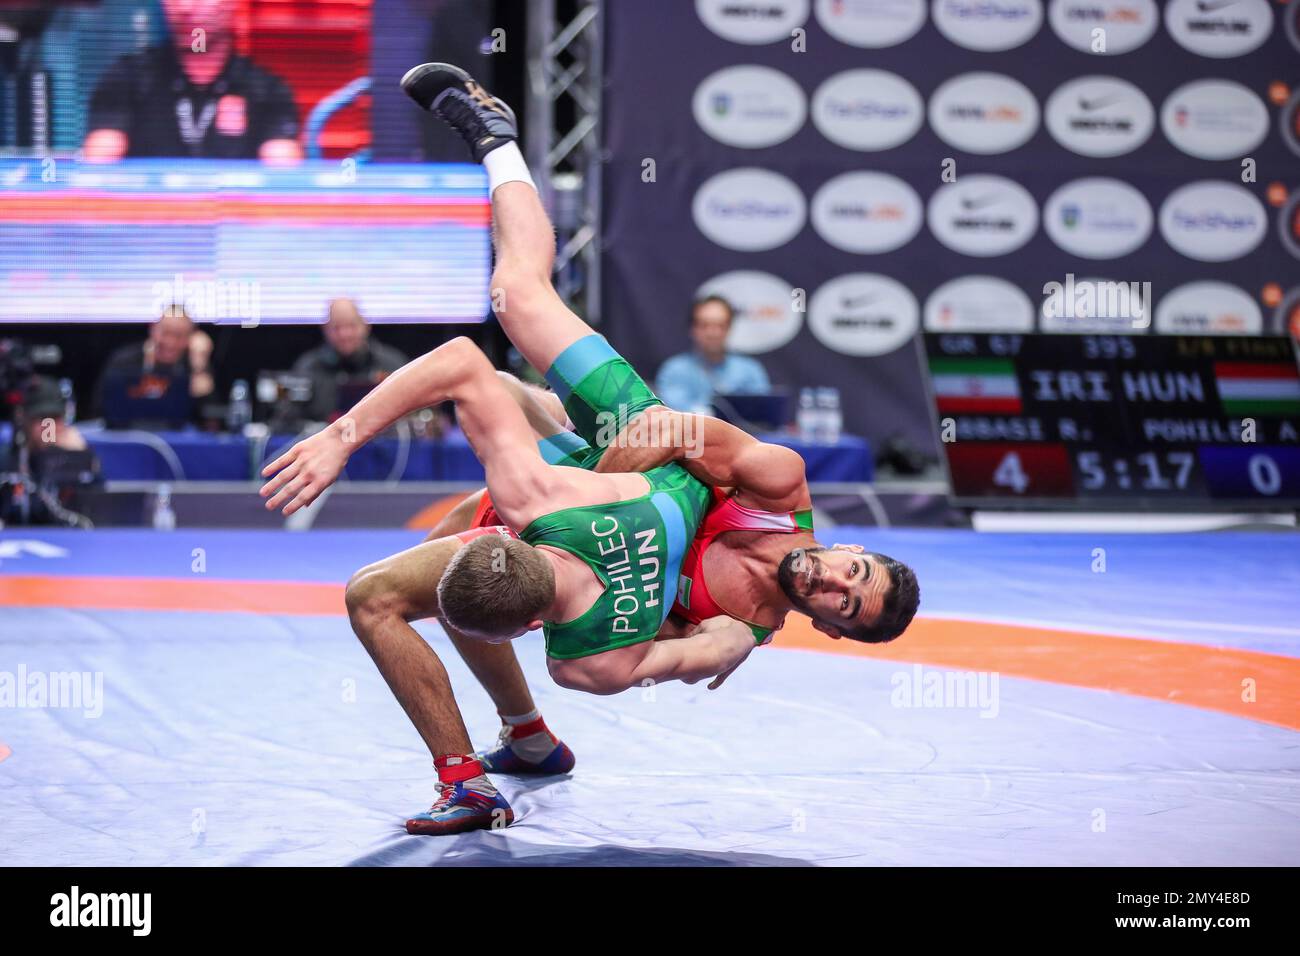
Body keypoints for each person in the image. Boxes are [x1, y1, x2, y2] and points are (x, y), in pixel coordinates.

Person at [83, 0, 301, 164]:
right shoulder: (128, 78)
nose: (185, 7)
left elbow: (282, 178)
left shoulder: (266, 90)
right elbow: (99, 166)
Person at [290, 298, 409, 422]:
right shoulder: (307, 369)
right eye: (336, 327)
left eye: (351, 326)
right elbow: (291, 421)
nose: (344, 334)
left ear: (366, 326)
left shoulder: (392, 365)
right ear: (325, 330)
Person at [95, 306, 213, 427]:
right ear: (153, 329)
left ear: (191, 337)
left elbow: (212, 421)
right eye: (165, 333)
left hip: (177, 437)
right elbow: (99, 410)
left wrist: (199, 366)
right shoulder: (124, 361)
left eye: (179, 335)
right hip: (127, 433)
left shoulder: (194, 364)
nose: (171, 342)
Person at [654, 295, 771, 414]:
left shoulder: (750, 369)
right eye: (705, 325)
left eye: (720, 325)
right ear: (692, 329)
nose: (713, 333)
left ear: (729, 328)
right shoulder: (674, 370)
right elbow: (674, 413)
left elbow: (763, 412)